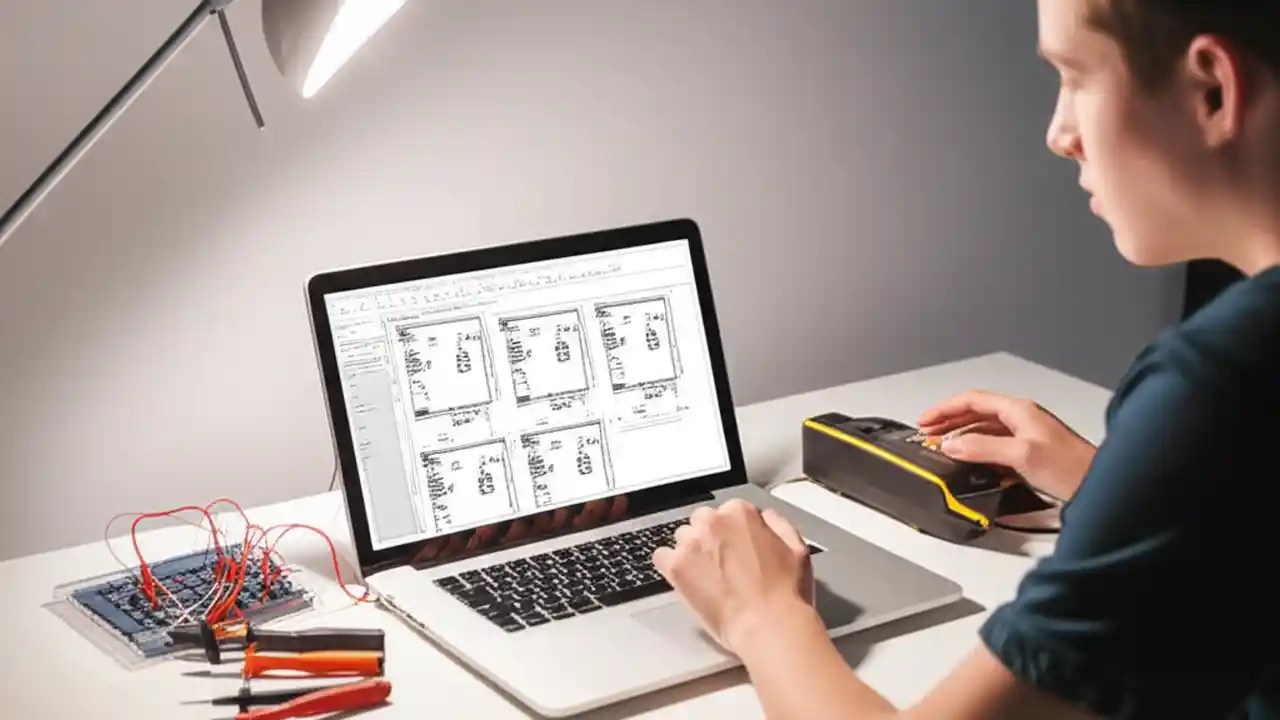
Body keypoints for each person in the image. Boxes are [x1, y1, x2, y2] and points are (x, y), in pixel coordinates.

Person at [650, 1, 1280, 717]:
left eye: (1074, 77)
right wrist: (1117, 483)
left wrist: (762, 615)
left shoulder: (1225, 378)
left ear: (1213, 92)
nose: (1059, 135)